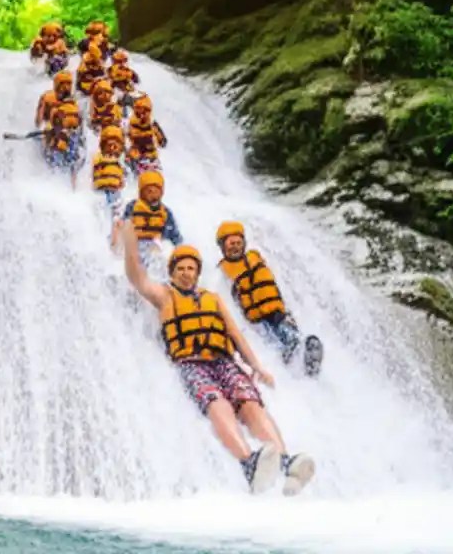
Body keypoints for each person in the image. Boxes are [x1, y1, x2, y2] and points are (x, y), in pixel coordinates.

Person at [114, 220, 317, 494]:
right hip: (191, 364)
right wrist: (130, 242)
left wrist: (257, 366)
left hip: (224, 361)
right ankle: (248, 462)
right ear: (172, 271)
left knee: (250, 403)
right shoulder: (164, 295)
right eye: (181, 268)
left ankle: (284, 462)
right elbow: (137, 278)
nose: (186, 273)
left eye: (191, 268)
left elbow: (235, 334)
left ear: (198, 272)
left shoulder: (212, 298)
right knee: (217, 403)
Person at [215, 222, 323, 376]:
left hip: (277, 312)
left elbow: (276, 282)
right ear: (222, 246)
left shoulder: (255, 256)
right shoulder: (223, 273)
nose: (235, 247)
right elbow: (225, 301)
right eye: (231, 244)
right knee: (277, 341)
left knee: (289, 333)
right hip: (256, 321)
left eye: (239, 243)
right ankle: (293, 363)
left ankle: (306, 358)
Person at [117, 170, 182, 260]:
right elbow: (124, 225)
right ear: (142, 192)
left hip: (155, 245)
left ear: (161, 192)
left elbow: (175, 235)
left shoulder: (165, 212)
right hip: (135, 244)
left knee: (164, 249)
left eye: (156, 191)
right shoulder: (133, 207)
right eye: (149, 191)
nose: (153, 195)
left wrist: (179, 250)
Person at [45, 96, 85, 188]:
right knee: (73, 163)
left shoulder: (58, 110)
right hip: (73, 136)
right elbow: (81, 129)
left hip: (61, 137)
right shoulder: (77, 111)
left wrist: (50, 137)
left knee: (56, 158)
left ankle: (54, 182)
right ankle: (73, 186)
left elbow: (53, 125)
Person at [126, 93, 167, 173]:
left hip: (151, 157)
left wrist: (161, 140)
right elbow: (124, 138)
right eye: (139, 112)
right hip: (135, 157)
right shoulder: (129, 123)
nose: (142, 115)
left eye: (145, 112)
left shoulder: (152, 123)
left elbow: (162, 140)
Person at [92, 125, 127, 214]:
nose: (112, 149)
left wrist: (121, 183)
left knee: (116, 207)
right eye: (109, 145)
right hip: (102, 189)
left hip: (114, 189)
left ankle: (114, 217)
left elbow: (121, 175)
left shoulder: (119, 162)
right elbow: (95, 172)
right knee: (102, 208)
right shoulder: (99, 157)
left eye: (115, 146)